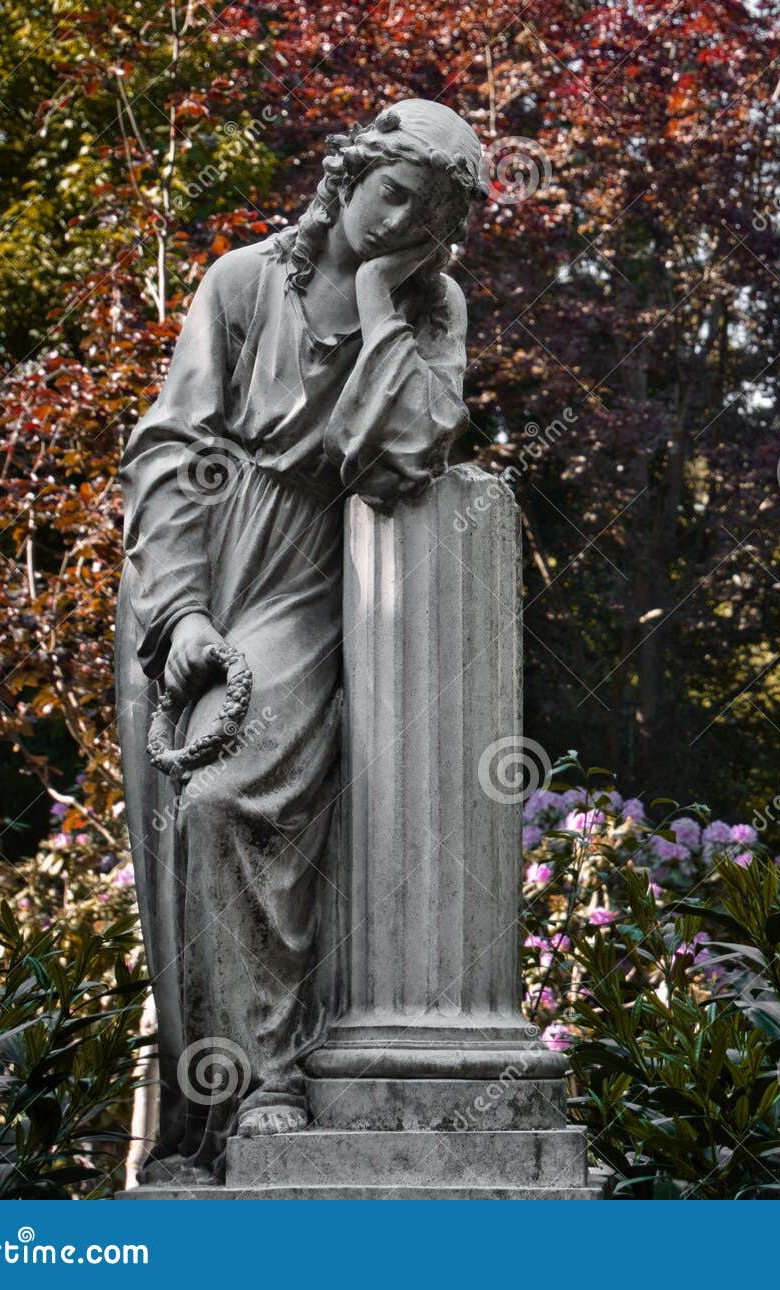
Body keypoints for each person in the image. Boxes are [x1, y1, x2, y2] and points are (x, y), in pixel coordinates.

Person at [116, 100, 486, 1184]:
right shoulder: (241, 282)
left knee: (232, 798)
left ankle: (272, 1075)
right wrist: (179, 610)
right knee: (182, 832)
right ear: (353, 174)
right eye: (392, 191)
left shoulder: (431, 305)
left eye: (428, 213)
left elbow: (408, 450)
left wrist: (378, 303)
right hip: (205, 557)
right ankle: (213, 1099)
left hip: (318, 572)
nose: (399, 221)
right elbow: (174, 446)